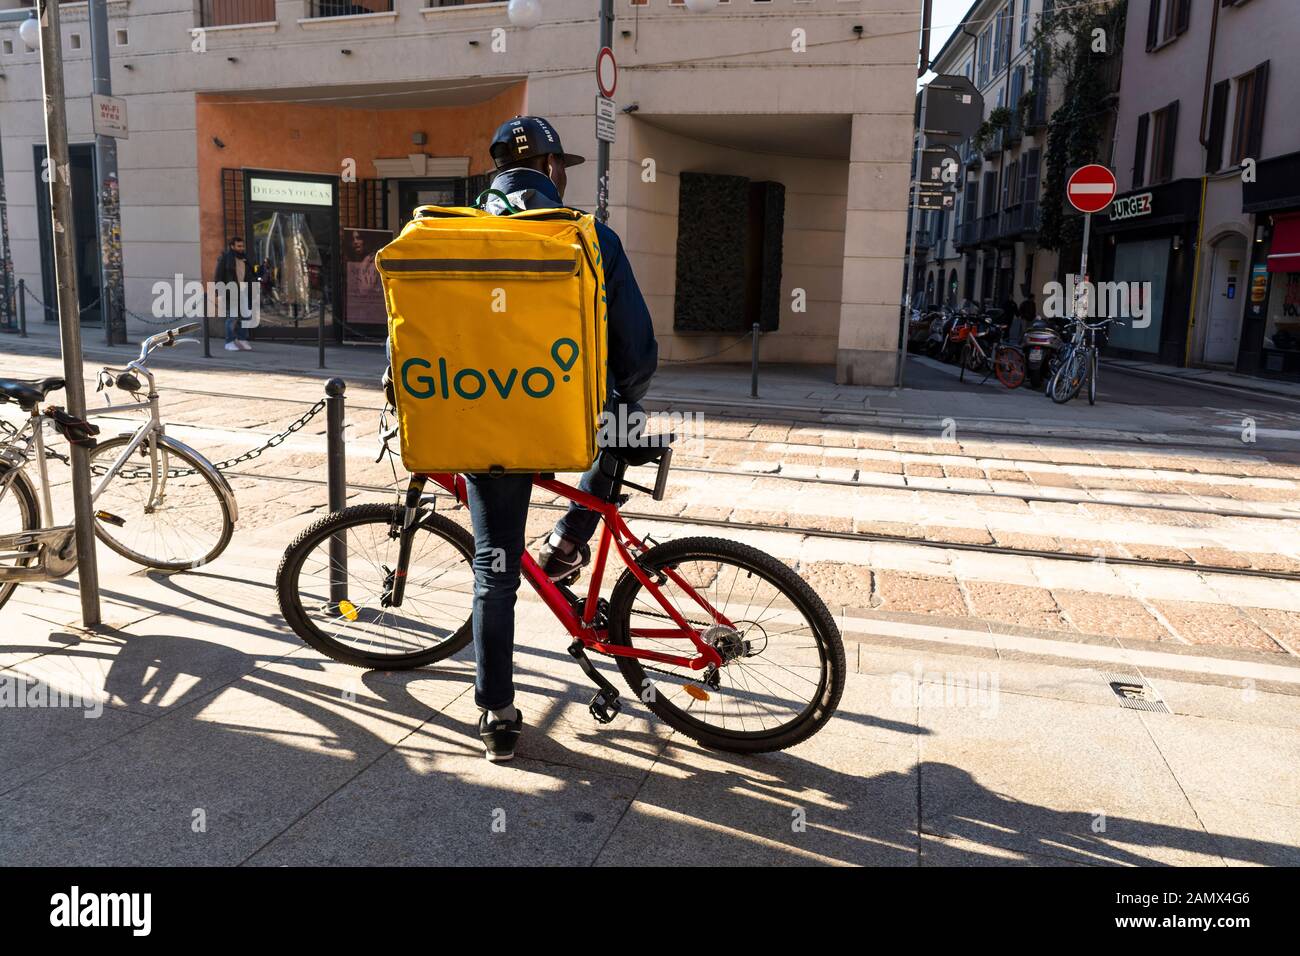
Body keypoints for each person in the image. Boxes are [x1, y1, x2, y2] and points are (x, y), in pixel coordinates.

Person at [462, 116, 658, 761]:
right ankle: (572, 538)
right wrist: (621, 400)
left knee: (494, 571)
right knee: (623, 422)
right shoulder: (590, 235)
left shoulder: (449, 236)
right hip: (568, 420)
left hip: (481, 427)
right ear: (552, 170)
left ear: (495, 170)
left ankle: (497, 716)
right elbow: (636, 350)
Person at [213, 236, 252, 352]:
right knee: (232, 317)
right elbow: (218, 277)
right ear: (232, 246)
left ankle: (241, 339)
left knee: (246, 316)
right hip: (230, 292)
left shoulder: (244, 259)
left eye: (242, 246)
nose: (241, 248)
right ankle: (229, 342)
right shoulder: (225, 259)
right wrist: (220, 292)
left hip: (244, 291)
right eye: (238, 246)